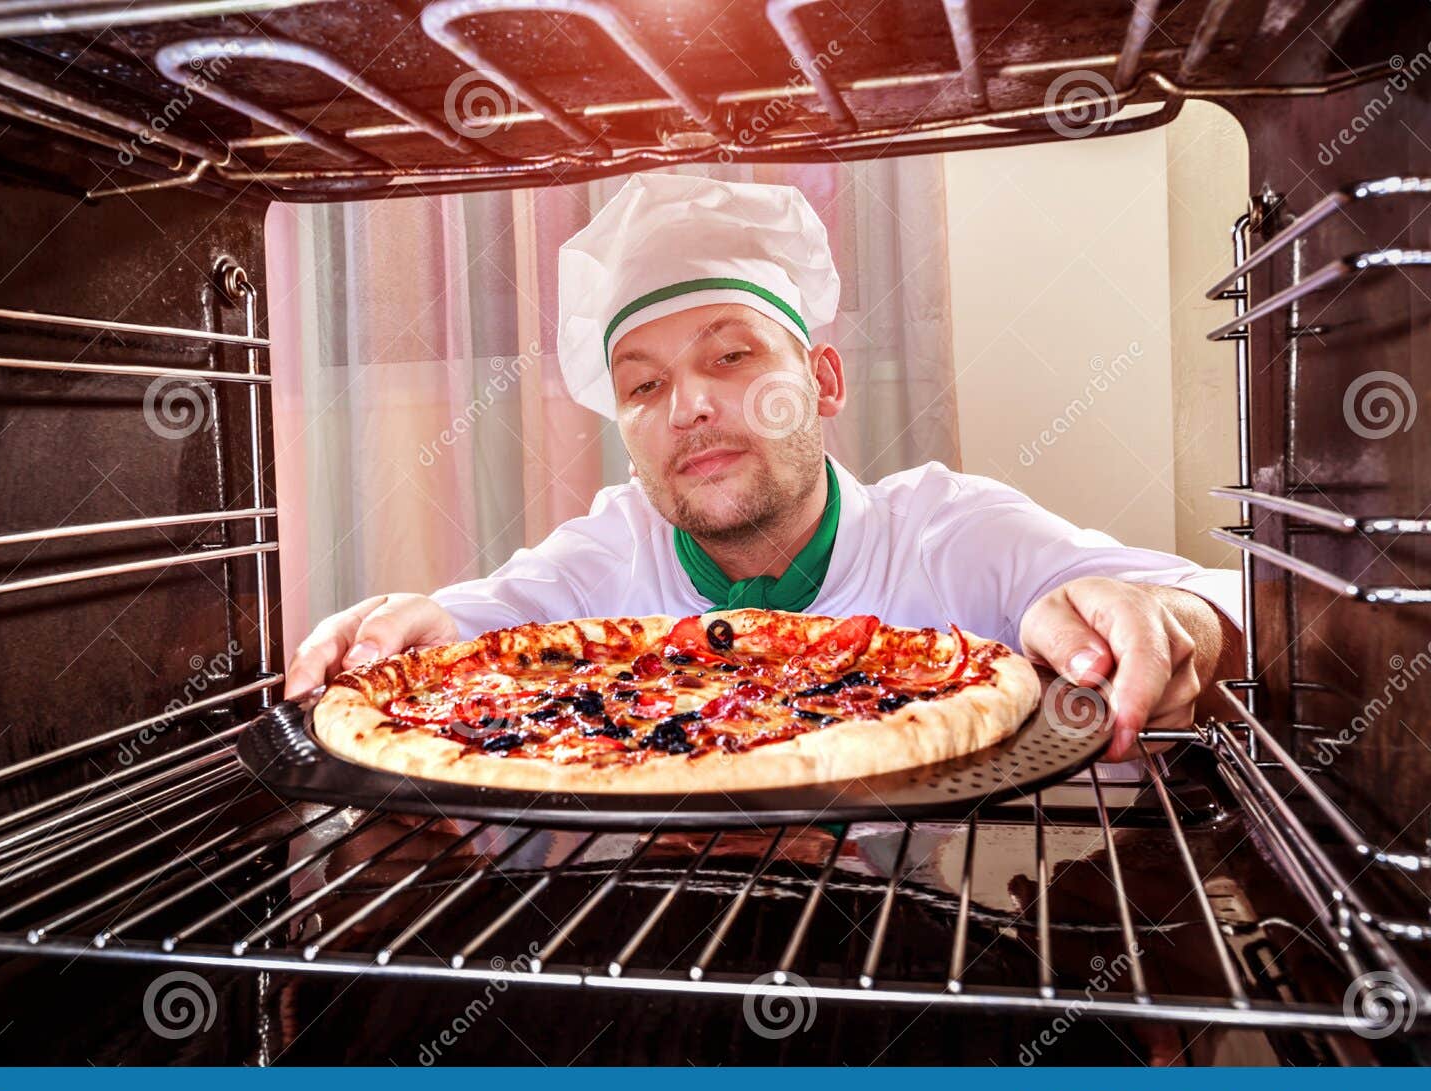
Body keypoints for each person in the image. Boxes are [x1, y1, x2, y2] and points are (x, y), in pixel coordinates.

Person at [286, 173, 1241, 762]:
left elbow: (1227, 603)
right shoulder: (605, 556)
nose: (689, 405)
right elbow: (472, 621)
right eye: (644, 385)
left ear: (822, 378)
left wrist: (1174, 619)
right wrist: (405, 629)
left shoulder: (958, 531)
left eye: (731, 357)